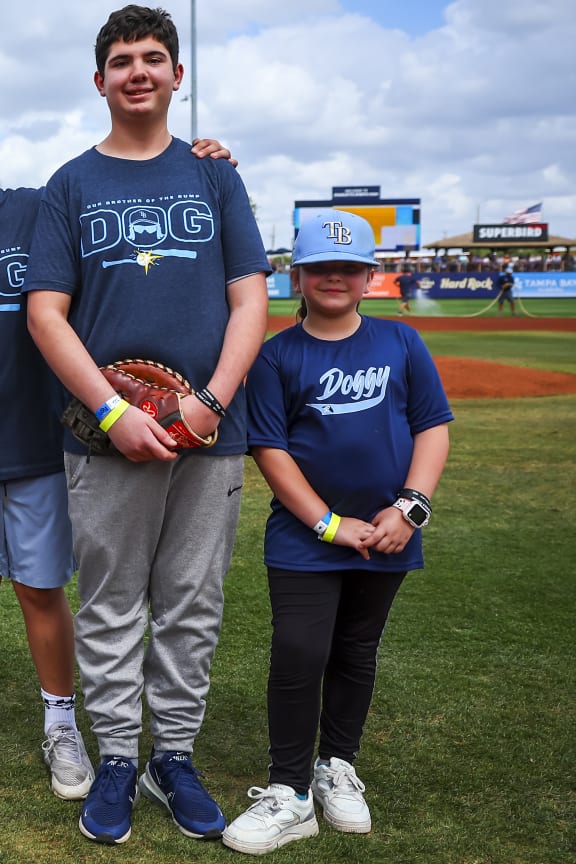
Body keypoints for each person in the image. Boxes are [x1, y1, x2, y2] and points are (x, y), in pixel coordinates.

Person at [0, 88, 236, 800]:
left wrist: (203, 158)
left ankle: (60, 723)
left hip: (47, 441)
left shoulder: (37, 205)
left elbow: (120, 188)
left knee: (44, 589)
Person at [24, 4, 271, 845]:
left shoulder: (215, 177)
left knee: (193, 604)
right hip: (105, 437)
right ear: (100, 81)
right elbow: (46, 314)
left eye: (153, 57)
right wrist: (112, 409)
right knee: (111, 603)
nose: (138, 70)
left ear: (175, 76)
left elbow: (250, 298)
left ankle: (175, 755)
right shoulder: (70, 184)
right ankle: (119, 759)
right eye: (122, 59)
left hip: (212, 432)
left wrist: (211, 401)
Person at [223, 210, 452, 855]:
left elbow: (432, 427)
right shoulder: (275, 356)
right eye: (320, 266)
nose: (334, 278)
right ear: (298, 275)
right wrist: (326, 523)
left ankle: (336, 767)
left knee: (356, 651)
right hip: (305, 536)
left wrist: (410, 510)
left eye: (348, 268)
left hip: (387, 532)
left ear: (368, 277)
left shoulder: (401, 342)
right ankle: (291, 791)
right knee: (299, 653)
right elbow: (270, 448)